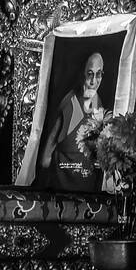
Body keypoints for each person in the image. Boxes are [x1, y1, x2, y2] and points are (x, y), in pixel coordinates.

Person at [40, 52, 107, 191]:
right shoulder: (71, 101)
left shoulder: (97, 100)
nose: (94, 81)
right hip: (65, 172)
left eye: (98, 74)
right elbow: (53, 137)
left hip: (86, 173)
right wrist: (46, 157)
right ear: (83, 73)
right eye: (90, 74)